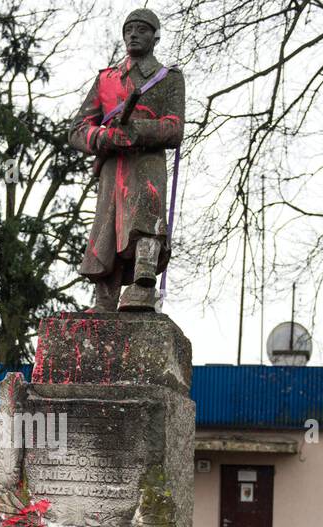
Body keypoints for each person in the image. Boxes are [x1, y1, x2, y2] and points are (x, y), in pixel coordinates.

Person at [69, 8, 185, 312]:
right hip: (113, 168)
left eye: (142, 29)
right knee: (107, 228)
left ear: (154, 36)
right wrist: (105, 138)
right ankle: (104, 300)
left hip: (147, 166)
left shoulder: (168, 79)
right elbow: (78, 130)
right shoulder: (106, 80)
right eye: (129, 29)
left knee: (145, 221)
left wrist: (136, 131)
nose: (134, 34)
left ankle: (142, 289)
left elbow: (174, 129)